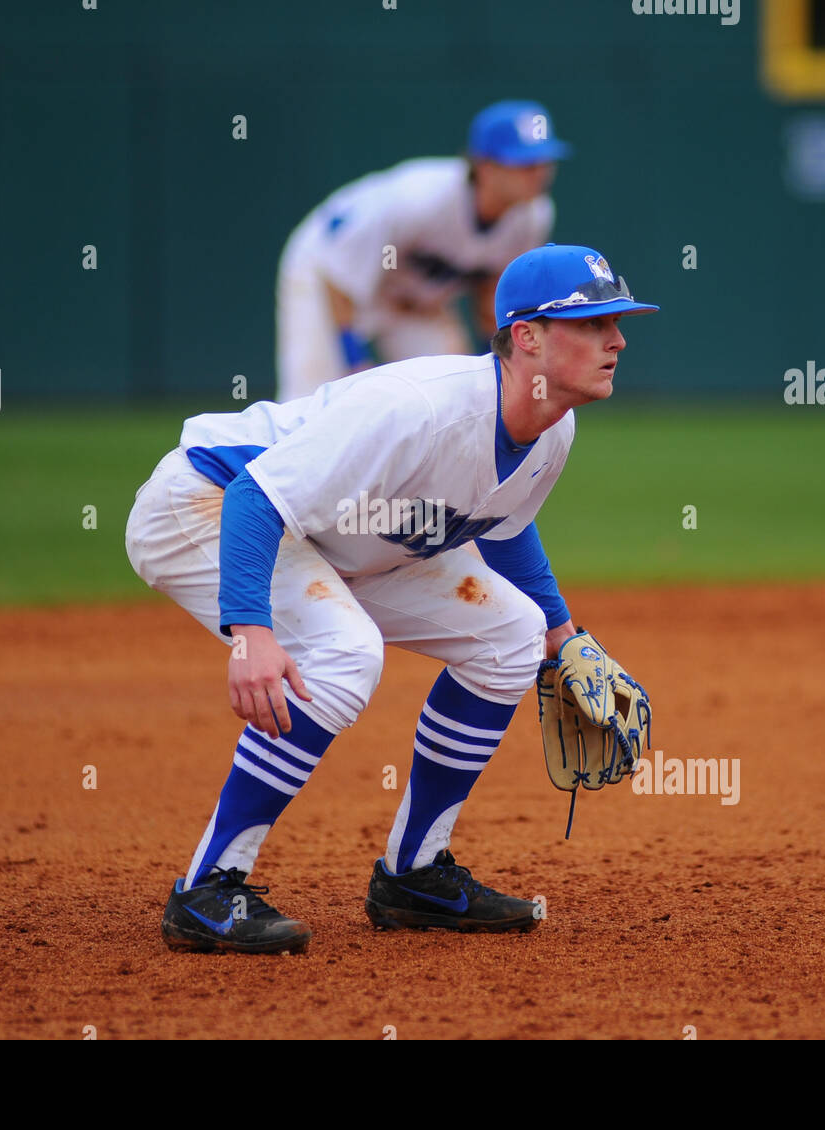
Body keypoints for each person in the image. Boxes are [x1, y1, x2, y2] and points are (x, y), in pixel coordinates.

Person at [126, 243, 659, 954]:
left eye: (616, 322)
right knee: (346, 650)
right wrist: (252, 632)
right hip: (208, 503)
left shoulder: (552, 427)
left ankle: (412, 876)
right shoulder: (418, 409)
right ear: (527, 337)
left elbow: (503, 526)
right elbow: (259, 495)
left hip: (344, 541)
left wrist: (564, 636)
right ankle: (207, 889)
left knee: (513, 634)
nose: (617, 339)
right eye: (594, 323)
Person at [274, 100, 570, 402]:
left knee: (453, 396)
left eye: (544, 162)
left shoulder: (533, 214)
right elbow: (340, 276)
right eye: (524, 163)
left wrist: (494, 365)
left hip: (414, 301)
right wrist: (354, 360)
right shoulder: (418, 199)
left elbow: (492, 288)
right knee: (312, 402)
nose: (538, 173)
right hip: (326, 273)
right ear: (484, 166)